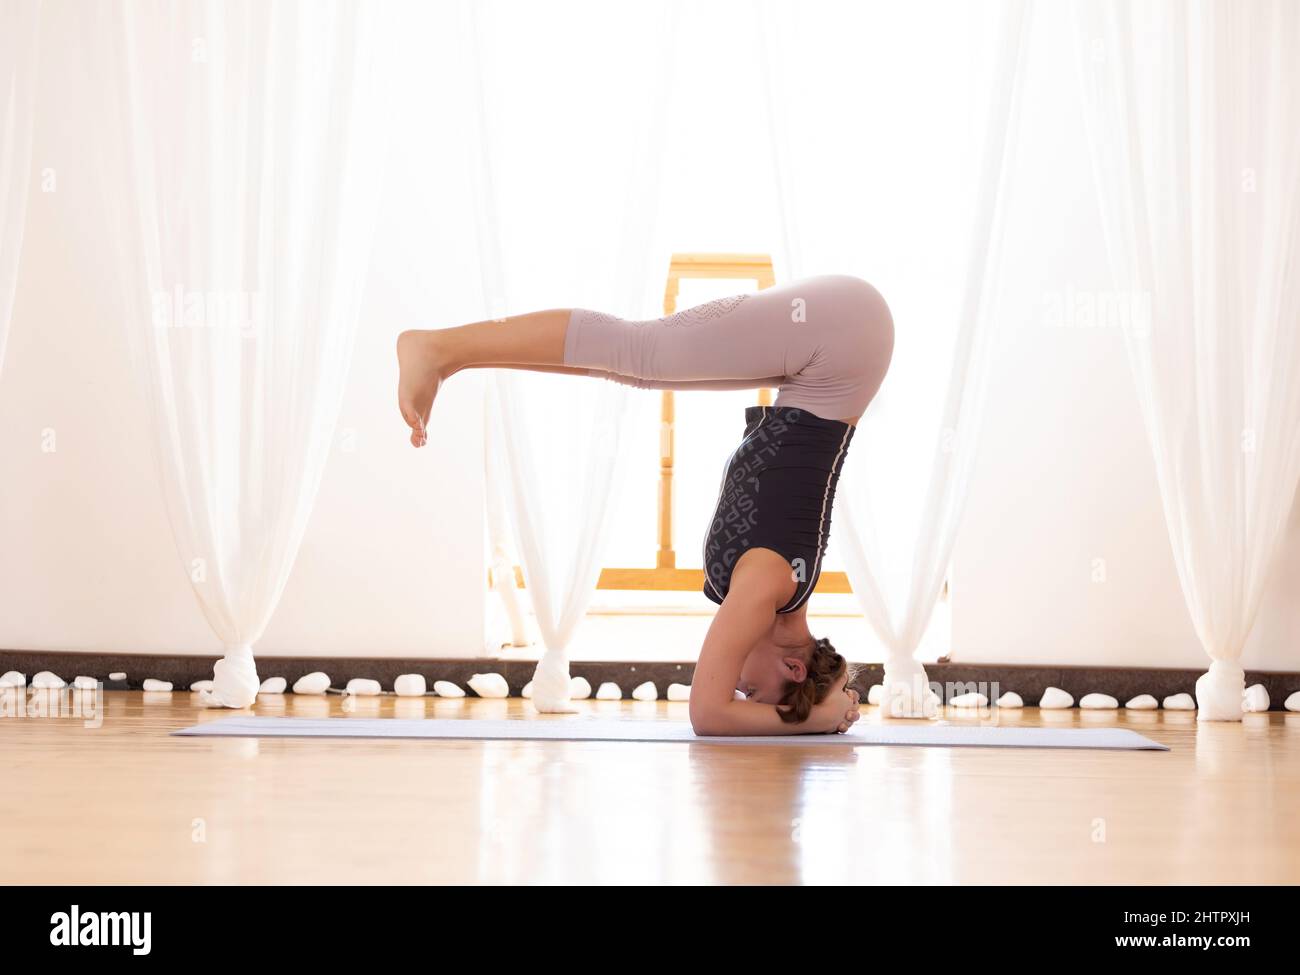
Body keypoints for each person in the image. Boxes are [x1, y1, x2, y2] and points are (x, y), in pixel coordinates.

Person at [397, 274, 895, 735]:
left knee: (637, 367)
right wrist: (815, 719)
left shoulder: (786, 591)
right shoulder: (768, 586)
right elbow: (709, 712)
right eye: (755, 692)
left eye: (747, 696)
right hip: (842, 335)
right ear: (792, 666)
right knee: (640, 350)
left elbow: (730, 697)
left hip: (837, 351)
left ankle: (452, 358)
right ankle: (436, 347)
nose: (741, 689)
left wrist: (823, 702)